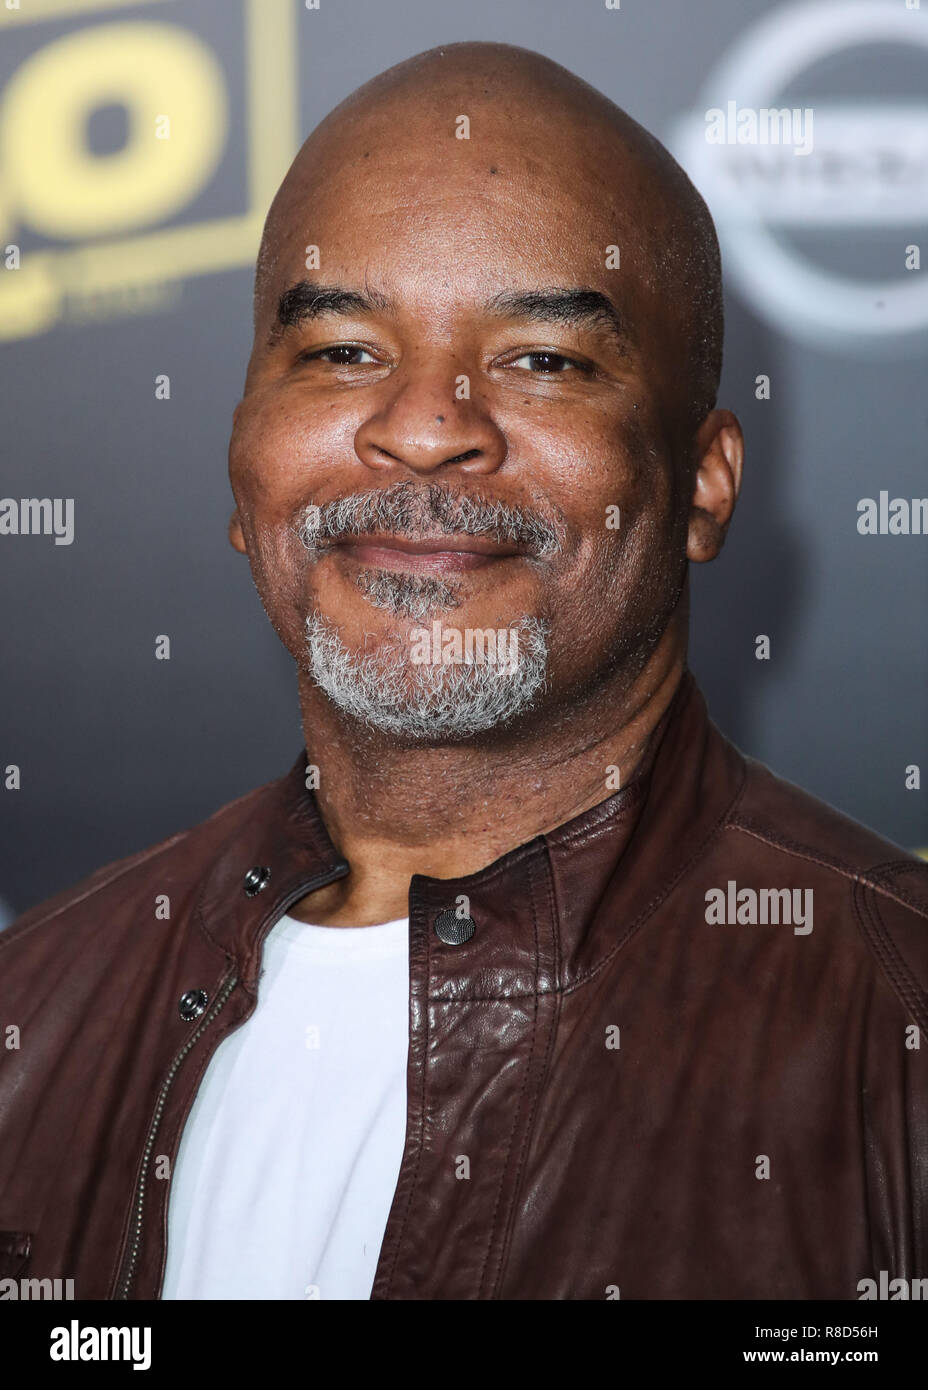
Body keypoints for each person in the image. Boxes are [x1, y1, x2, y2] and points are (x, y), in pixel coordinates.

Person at [1, 42, 925, 1302]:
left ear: (704, 479)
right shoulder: (32, 1008)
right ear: (242, 463)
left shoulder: (896, 1025)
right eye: (341, 353)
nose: (428, 425)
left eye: (542, 359)